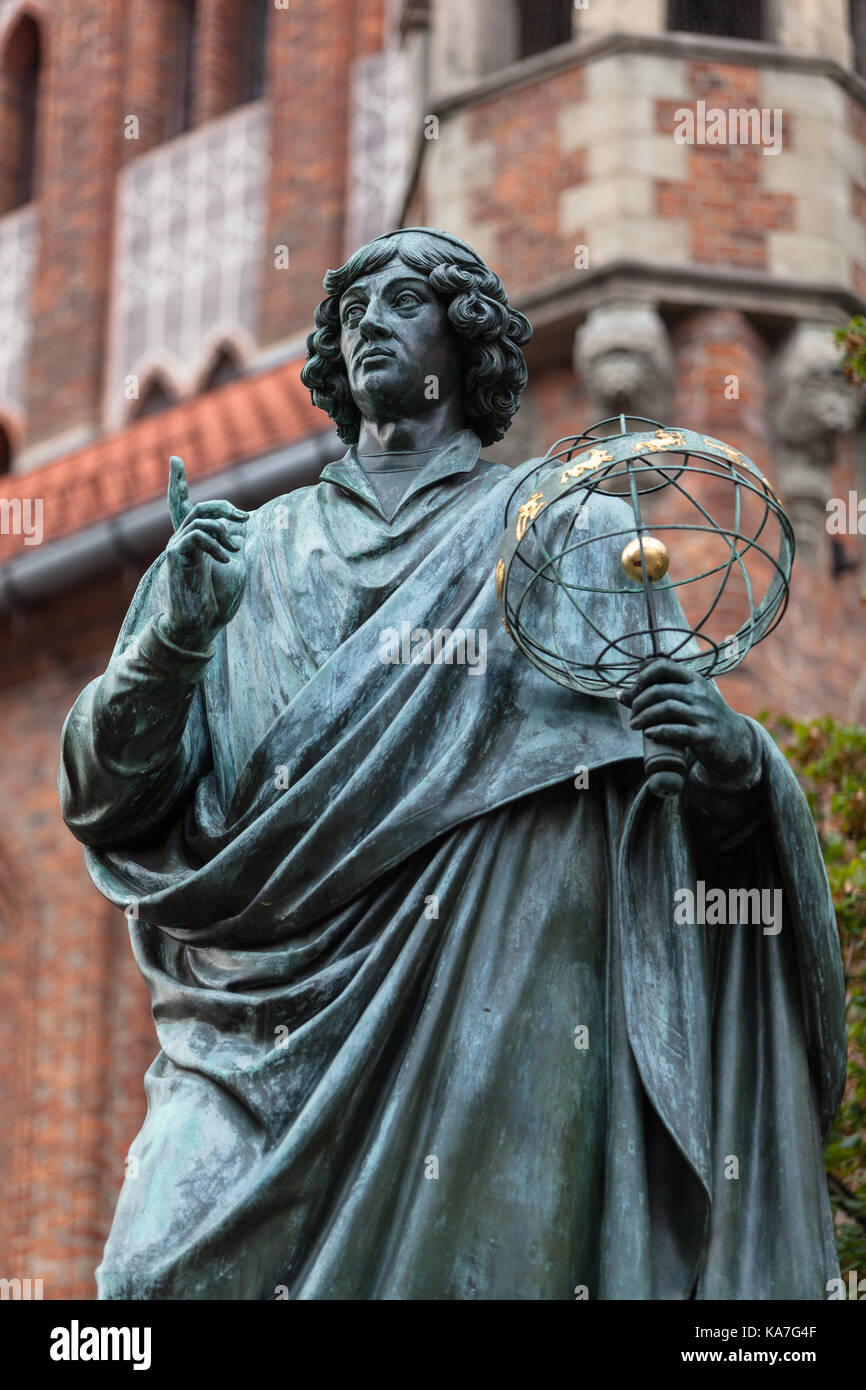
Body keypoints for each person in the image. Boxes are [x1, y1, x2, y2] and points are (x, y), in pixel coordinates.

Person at [59, 228, 845, 1300]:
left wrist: (731, 771)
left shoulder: (569, 534)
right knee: (149, 1282)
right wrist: (171, 642)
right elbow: (109, 797)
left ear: (463, 339)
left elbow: (675, 818)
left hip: (509, 989)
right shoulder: (240, 553)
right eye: (350, 309)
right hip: (256, 1014)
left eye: (402, 299)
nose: (367, 319)